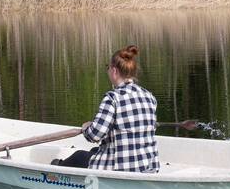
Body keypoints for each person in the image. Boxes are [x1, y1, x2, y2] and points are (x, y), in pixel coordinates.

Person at [55, 45, 159, 173]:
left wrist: (86, 127)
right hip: (147, 165)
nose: (108, 71)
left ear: (114, 71)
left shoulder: (112, 98)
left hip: (120, 168)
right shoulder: (149, 97)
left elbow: (95, 135)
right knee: (94, 151)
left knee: (79, 156)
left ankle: (56, 168)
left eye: (107, 68)